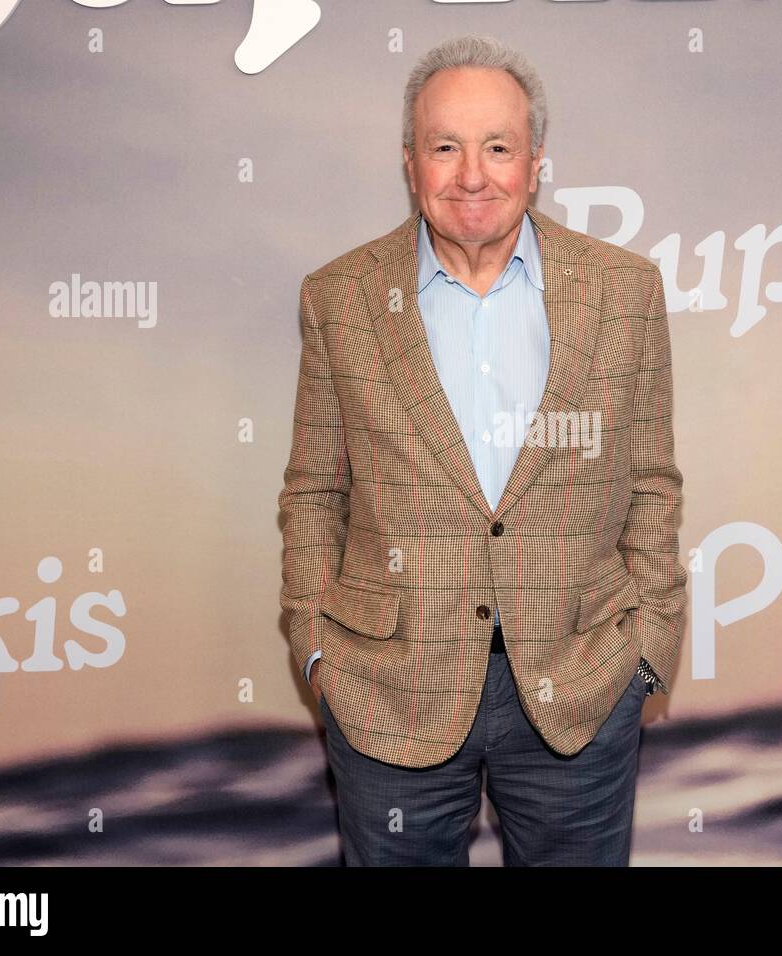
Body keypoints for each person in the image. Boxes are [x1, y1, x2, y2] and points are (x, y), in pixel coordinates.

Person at [277, 33, 686, 866]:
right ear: (409, 161)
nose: (472, 174)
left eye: (498, 147)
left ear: (535, 162)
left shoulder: (624, 290)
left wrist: (647, 651)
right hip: (388, 688)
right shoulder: (339, 298)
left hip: (581, 680)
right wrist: (318, 652)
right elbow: (316, 490)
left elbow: (651, 482)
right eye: (446, 147)